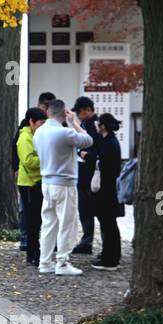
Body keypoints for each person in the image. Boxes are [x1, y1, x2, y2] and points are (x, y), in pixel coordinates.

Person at [33, 99, 93, 276]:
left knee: (49, 223)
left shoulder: (39, 132)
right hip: (64, 184)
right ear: (63, 113)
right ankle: (62, 262)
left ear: (48, 112)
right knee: (67, 224)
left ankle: (45, 262)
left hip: (47, 182)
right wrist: (75, 122)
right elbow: (88, 140)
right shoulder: (65, 133)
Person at [89, 113, 124, 270]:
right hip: (105, 189)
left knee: (109, 224)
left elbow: (103, 164)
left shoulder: (110, 143)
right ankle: (107, 254)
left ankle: (111, 258)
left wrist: (89, 158)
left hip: (107, 190)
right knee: (106, 224)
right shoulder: (106, 140)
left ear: (102, 126)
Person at [16, 107, 45, 267]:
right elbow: (28, 161)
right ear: (31, 122)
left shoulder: (33, 135)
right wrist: (46, 158)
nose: (42, 126)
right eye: (40, 123)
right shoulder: (25, 138)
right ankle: (33, 253)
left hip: (34, 182)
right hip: (29, 183)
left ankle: (34, 252)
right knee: (32, 220)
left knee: (36, 219)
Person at [71, 96, 99, 256]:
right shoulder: (85, 124)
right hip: (83, 172)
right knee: (84, 208)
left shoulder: (93, 125)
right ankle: (86, 239)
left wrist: (85, 154)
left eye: (80, 112)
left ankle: (87, 240)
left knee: (88, 208)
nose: (79, 115)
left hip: (90, 172)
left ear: (88, 110)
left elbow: (94, 146)